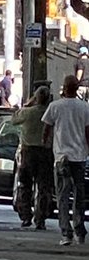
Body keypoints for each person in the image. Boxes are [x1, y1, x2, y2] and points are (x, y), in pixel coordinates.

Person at [43, 75, 89, 246]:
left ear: (64, 88)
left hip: (61, 156)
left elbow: (46, 128)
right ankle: (79, 230)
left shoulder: (55, 106)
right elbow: (88, 132)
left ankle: (66, 232)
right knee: (79, 194)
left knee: (62, 195)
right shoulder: (85, 107)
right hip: (79, 156)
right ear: (76, 89)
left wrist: (46, 144)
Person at [12, 86, 53, 230]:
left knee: (25, 184)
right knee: (43, 187)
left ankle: (25, 216)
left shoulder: (27, 112)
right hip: (45, 152)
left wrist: (27, 104)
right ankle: (40, 218)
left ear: (36, 98)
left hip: (28, 151)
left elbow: (14, 119)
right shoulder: (50, 112)